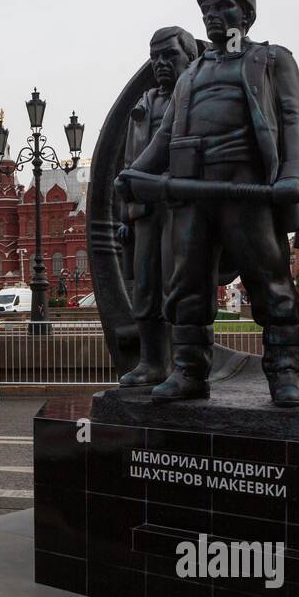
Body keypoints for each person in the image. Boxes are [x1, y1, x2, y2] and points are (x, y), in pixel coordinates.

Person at [124, 0, 299, 407]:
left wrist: (291, 173)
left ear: (246, 15)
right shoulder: (191, 75)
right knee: (186, 282)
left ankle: (284, 371)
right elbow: (165, 137)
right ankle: (189, 370)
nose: (213, 15)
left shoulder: (270, 59)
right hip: (189, 190)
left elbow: (293, 115)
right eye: (206, 8)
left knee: (268, 277)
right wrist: (136, 173)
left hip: (244, 185)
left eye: (223, 6)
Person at [118, 27, 199, 386]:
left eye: (170, 55)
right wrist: (125, 216)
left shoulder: (196, 99)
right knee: (146, 287)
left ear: (190, 57)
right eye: (156, 57)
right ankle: (152, 363)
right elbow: (128, 160)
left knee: (178, 287)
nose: (161, 64)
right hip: (145, 213)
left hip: (182, 206)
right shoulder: (146, 103)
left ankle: (186, 367)